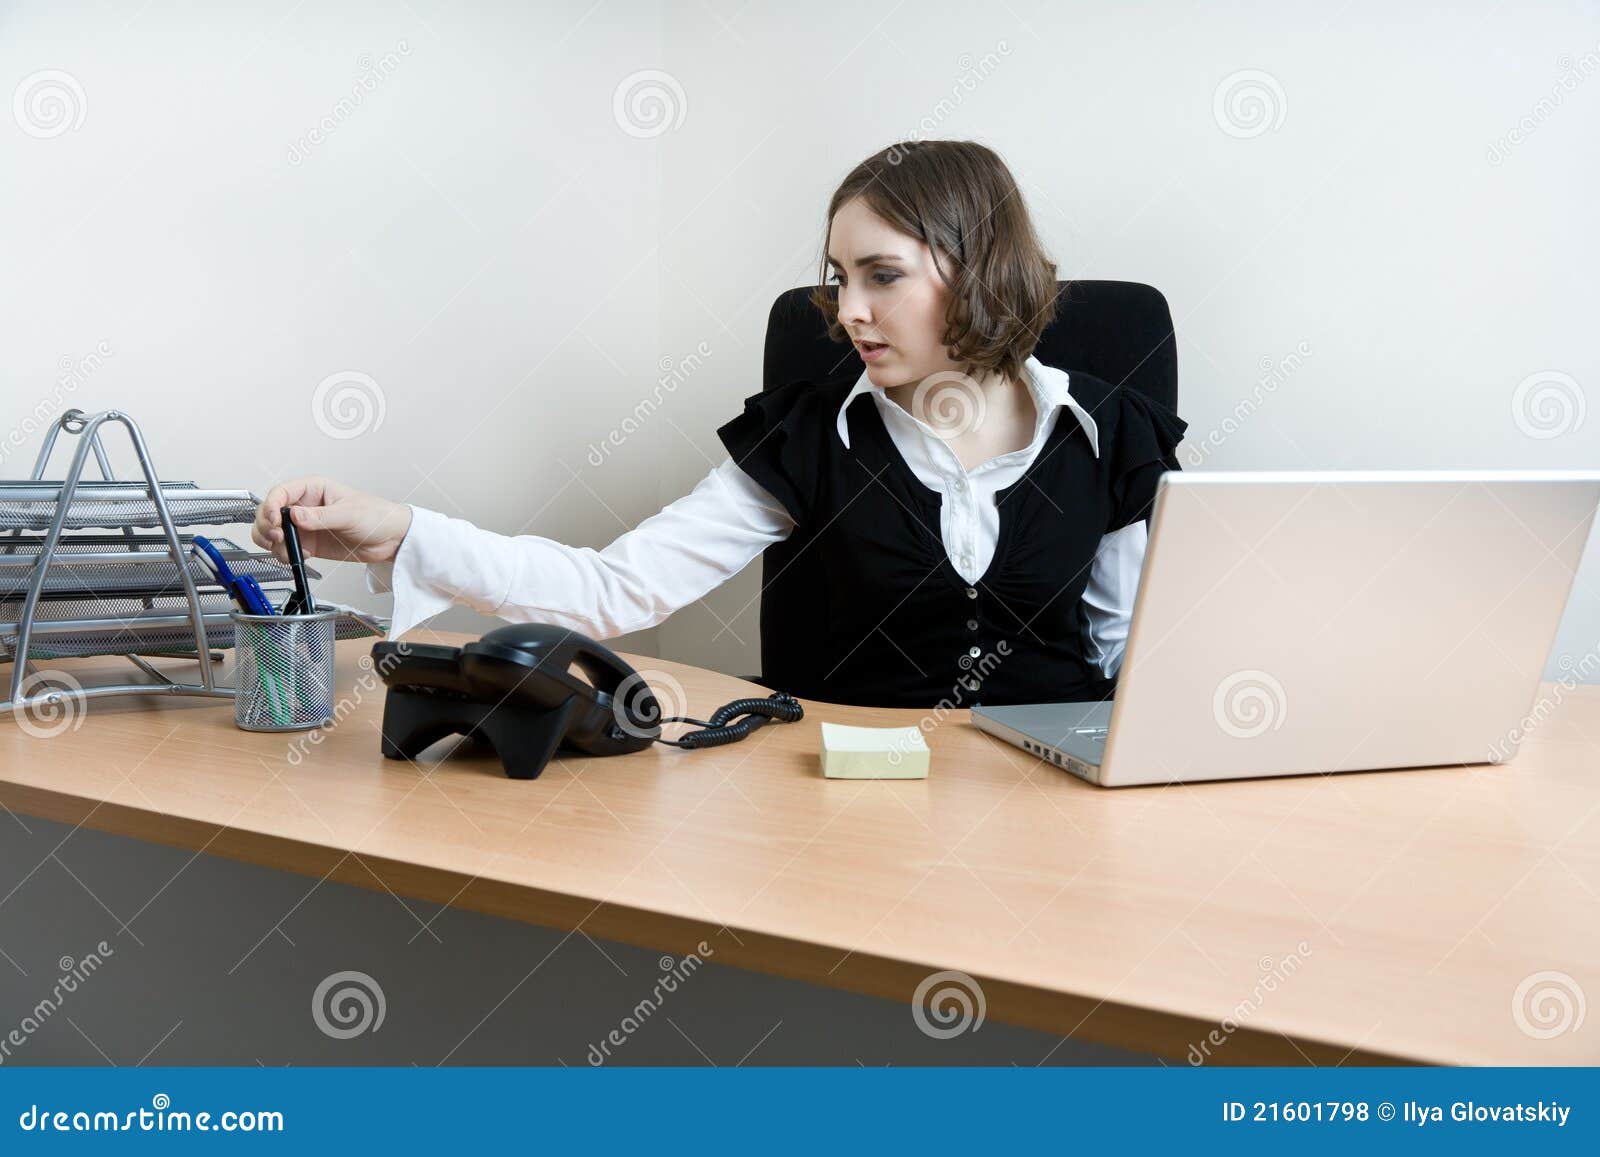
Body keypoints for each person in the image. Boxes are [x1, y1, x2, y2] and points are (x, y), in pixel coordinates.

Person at [253, 140, 1187, 708]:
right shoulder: (809, 437)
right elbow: (614, 590)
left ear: (978, 268)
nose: (848, 310)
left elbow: (1122, 657)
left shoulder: (1110, 434)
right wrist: (403, 529)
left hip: (1052, 807)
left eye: (882, 274)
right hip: (850, 805)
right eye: (839, 276)